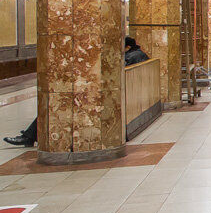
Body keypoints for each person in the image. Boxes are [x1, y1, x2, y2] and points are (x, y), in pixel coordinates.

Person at [6, 36, 150, 147]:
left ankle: (30, 136)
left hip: (98, 98)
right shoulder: (138, 54)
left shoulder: (130, 57)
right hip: (118, 94)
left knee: (56, 106)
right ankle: (32, 134)